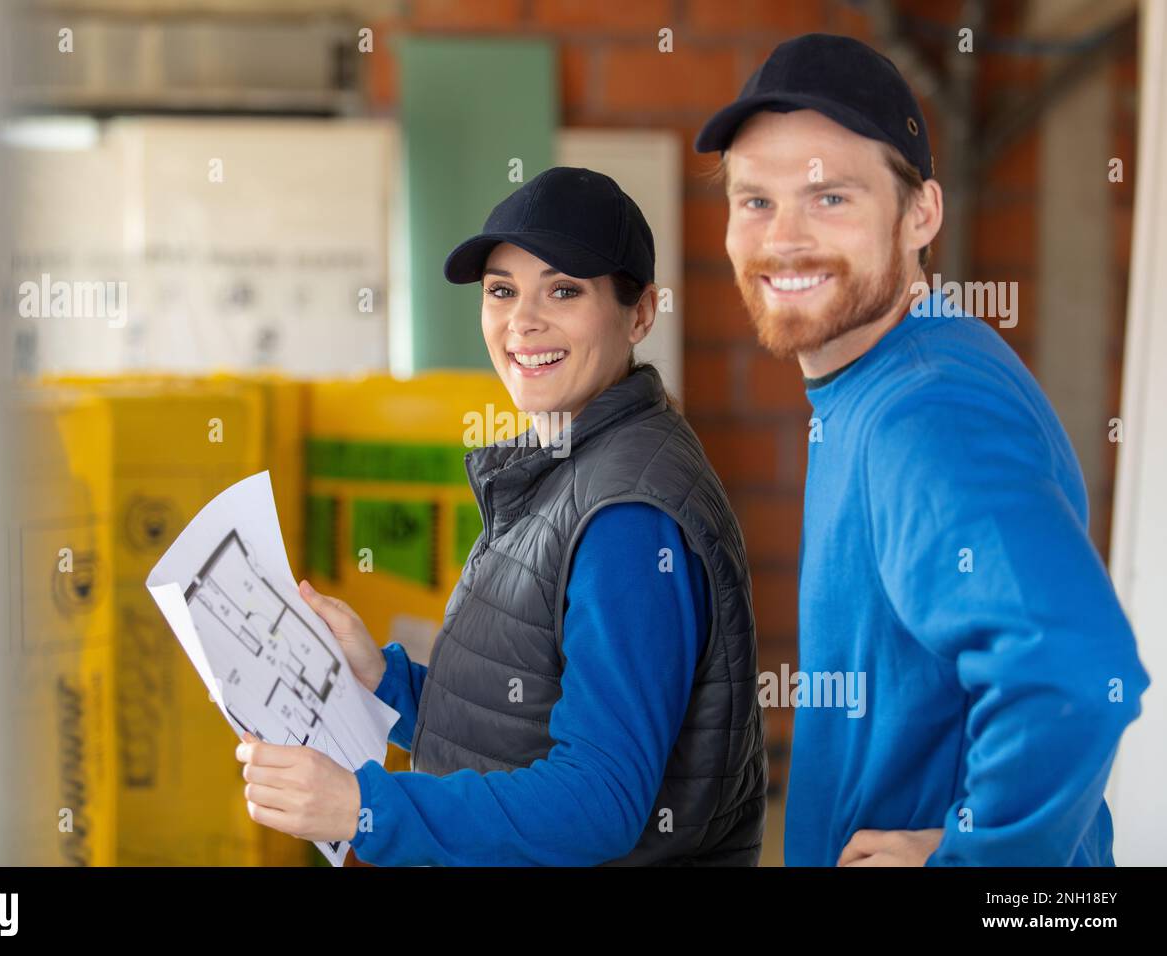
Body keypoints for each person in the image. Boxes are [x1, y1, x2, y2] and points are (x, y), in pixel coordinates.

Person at [695, 32, 1150, 866]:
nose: (784, 238)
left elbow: (1076, 674)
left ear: (921, 214)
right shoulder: (884, 376)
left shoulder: (924, 412)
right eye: (755, 200)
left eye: (830, 197)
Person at [236, 166, 766, 865]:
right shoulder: (567, 463)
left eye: (565, 290)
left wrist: (365, 808)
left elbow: (598, 802)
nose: (524, 321)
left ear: (640, 314)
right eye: (502, 291)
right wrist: (385, 682)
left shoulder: (629, 518)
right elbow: (520, 726)